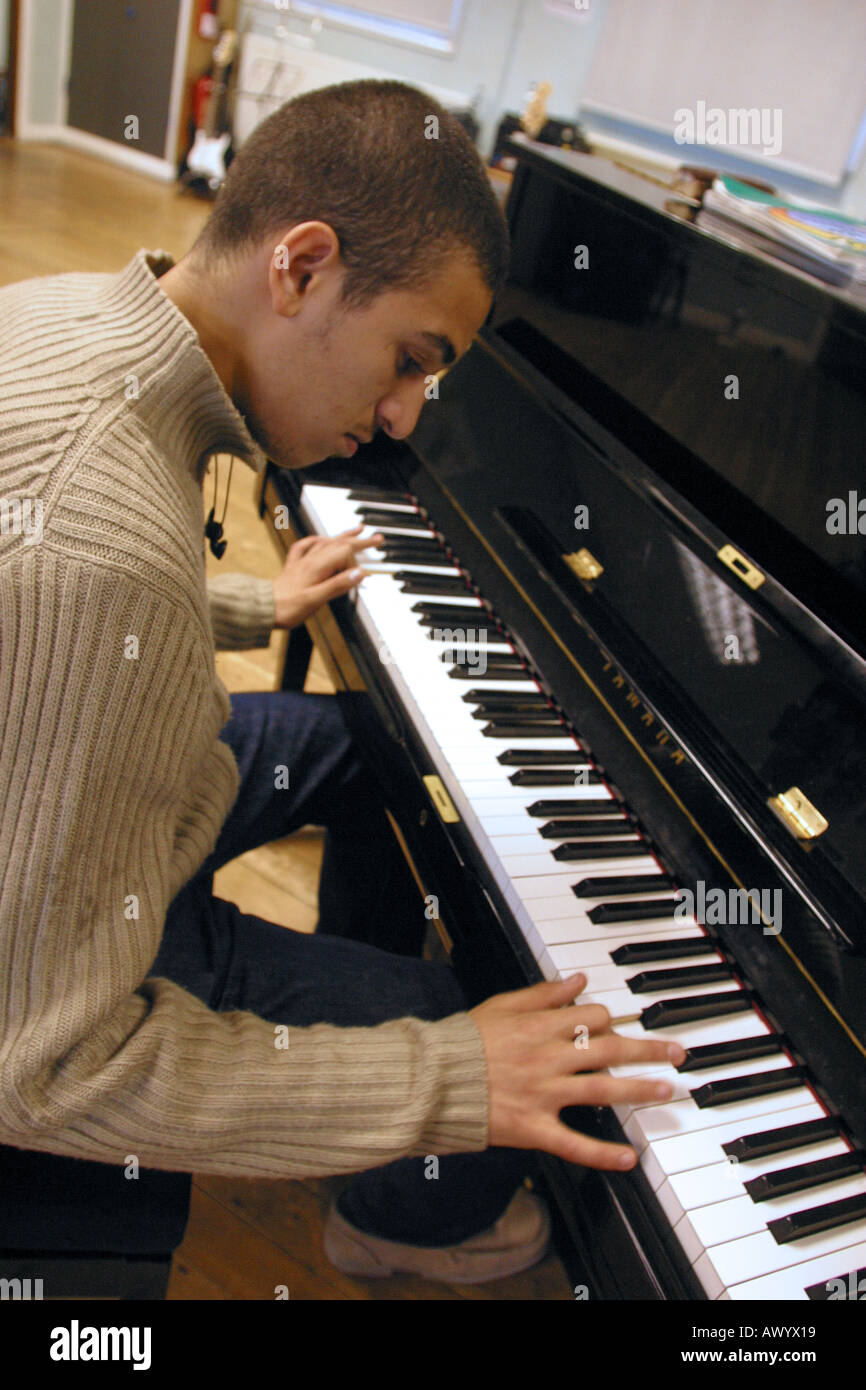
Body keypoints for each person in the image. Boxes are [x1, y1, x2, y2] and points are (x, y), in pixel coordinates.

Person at [0, 79, 684, 1286]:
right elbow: (45, 1069)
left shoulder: (69, 317)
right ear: (301, 267)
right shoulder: (98, 554)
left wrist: (250, 602)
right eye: (409, 360)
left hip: (119, 786)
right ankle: (393, 1212)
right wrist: (444, 1072)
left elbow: (49, 596)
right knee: (462, 1012)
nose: (404, 415)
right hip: (68, 948)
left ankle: (351, 1011)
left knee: (375, 740)